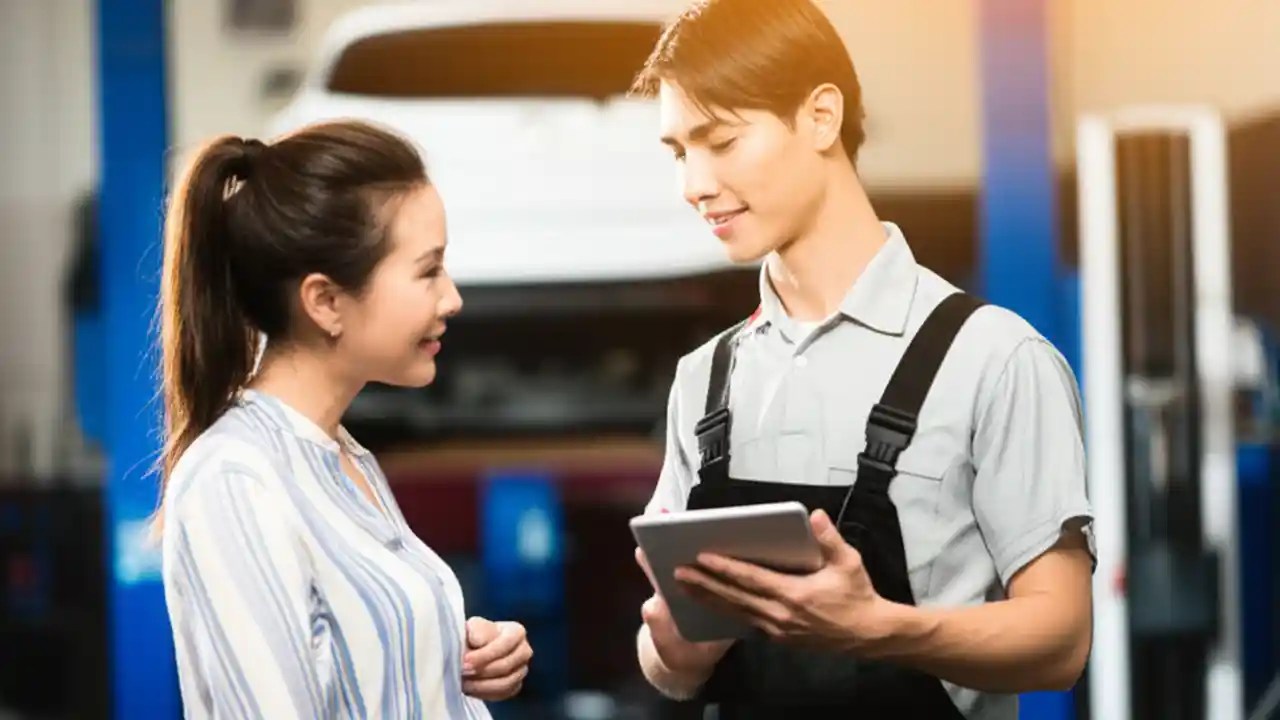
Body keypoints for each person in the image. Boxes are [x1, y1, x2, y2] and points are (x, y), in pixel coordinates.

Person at [629, 0, 1095, 717]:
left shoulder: (994, 358)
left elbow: (1061, 640)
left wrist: (883, 629)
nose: (693, 184)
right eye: (678, 153)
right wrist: (676, 650)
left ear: (821, 117)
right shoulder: (706, 380)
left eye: (719, 140)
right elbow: (670, 666)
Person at [155, 120, 532, 719]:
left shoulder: (343, 459)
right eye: (428, 270)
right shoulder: (236, 480)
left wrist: (444, 652)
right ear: (325, 301)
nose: (452, 297)